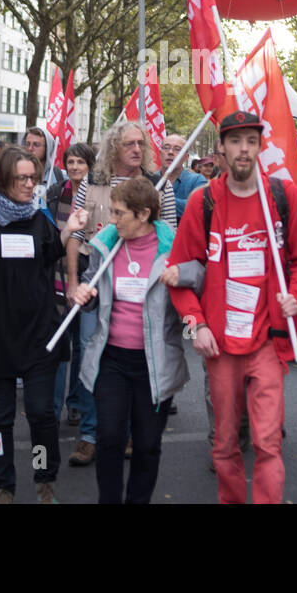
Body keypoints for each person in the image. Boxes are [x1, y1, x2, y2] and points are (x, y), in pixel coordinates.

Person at [167, 110, 297, 504]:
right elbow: (179, 274)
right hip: (220, 344)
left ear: (260, 146)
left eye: (251, 141)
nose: (244, 149)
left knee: (268, 442)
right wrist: (196, 325)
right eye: (235, 141)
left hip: (269, 339)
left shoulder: (284, 197)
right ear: (220, 148)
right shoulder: (203, 202)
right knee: (225, 445)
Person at [0, 145, 87, 503]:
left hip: (38, 335)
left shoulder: (38, 216)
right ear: (2, 179)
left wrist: (68, 232)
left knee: (41, 414)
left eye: (33, 177)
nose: (31, 184)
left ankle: (44, 480)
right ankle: (3, 486)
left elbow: (50, 253)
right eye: (22, 178)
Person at [71, 177, 190, 503]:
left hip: (155, 361)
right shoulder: (106, 244)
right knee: (109, 438)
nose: (112, 220)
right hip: (112, 359)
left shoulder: (173, 248)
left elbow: (201, 282)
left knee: (148, 443)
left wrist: (185, 277)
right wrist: (86, 295)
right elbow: (90, 285)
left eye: (119, 213)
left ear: (144, 214)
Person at [65, 120, 176, 467]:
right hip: (97, 282)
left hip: (143, 289)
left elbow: (171, 240)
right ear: (113, 146)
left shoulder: (159, 186)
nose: (136, 149)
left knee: (137, 359)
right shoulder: (90, 184)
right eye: (129, 143)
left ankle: (127, 432)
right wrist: (72, 282)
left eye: (140, 143)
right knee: (90, 355)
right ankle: (88, 434)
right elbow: (75, 236)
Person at [46, 142, 95, 424]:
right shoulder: (54, 194)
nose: (75, 167)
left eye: (80, 162)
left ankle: (75, 402)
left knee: (82, 345)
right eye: (71, 162)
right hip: (56, 277)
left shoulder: (96, 195)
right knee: (59, 345)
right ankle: (52, 408)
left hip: (84, 277)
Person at [162, 133, 206, 222]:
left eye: (177, 149)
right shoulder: (149, 180)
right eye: (166, 148)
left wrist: (162, 200)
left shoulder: (197, 181)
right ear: (160, 153)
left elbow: (200, 208)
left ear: (186, 157)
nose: (170, 152)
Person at [24, 126, 65, 191]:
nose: (30, 148)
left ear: (48, 148)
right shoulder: (16, 175)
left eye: (36, 145)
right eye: (27, 144)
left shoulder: (62, 177)